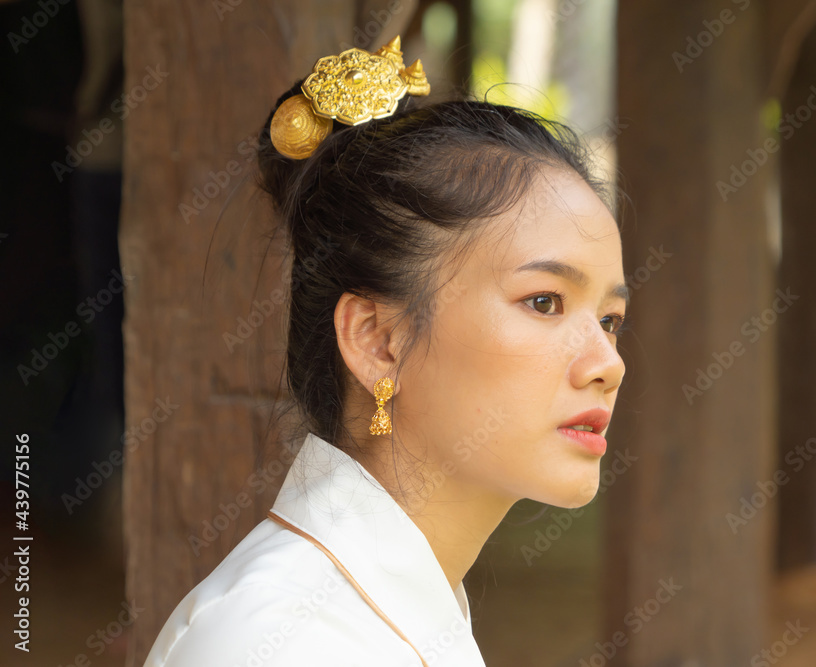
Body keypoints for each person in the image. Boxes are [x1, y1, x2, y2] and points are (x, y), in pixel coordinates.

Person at [143, 35, 629, 667]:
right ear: (377, 340)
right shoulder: (278, 639)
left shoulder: (383, 618)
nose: (608, 363)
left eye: (610, 320)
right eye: (544, 302)